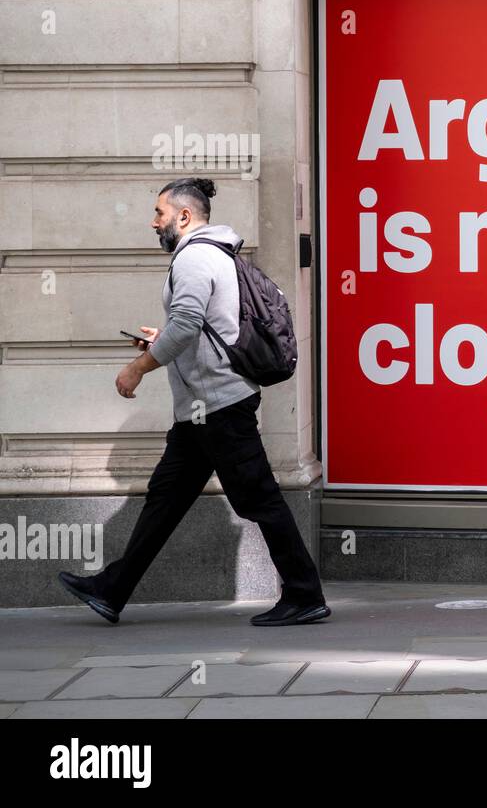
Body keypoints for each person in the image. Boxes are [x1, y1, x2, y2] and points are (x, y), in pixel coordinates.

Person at [57, 178, 330, 626]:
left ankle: (304, 594)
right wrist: (162, 340)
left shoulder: (195, 256)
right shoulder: (209, 255)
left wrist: (138, 368)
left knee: (260, 500)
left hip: (219, 406)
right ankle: (112, 589)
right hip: (201, 412)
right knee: (165, 500)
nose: (153, 222)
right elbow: (200, 328)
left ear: (184, 216)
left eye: (159, 213)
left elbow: (186, 325)